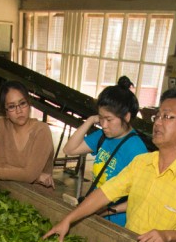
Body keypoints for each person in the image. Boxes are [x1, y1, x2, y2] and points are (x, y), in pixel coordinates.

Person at [43, 87, 176, 242]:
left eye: (167, 117)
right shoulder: (141, 164)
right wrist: (68, 220)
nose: (158, 122)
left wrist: (166, 236)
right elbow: (105, 193)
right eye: (157, 116)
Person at [62, 84, 148, 226]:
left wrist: (108, 210)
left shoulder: (137, 150)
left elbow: (141, 197)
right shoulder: (103, 135)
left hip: (117, 222)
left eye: (109, 119)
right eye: (101, 118)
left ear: (126, 117)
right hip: (95, 212)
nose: (104, 125)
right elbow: (69, 149)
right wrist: (89, 120)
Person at [0, 81, 54, 189]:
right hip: (8, 190)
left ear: (29, 103)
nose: (19, 111)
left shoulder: (41, 130)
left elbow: (28, 175)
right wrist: (36, 177)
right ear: (6, 112)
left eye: (22, 103)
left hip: (38, 197)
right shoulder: (2, 126)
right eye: (11, 106)